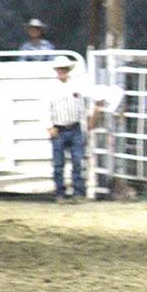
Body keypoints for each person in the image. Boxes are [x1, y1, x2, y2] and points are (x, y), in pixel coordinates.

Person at [44, 56, 104, 203]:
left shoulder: (78, 85)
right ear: (56, 70)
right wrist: (49, 126)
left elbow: (92, 96)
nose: (61, 71)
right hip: (58, 128)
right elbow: (45, 108)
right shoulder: (50, 87)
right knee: (59, 164)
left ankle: (78, 193)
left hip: (75, 127)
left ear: (67, 70)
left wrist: (92, 113)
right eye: (59, 69)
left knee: (78, 161)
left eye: (63, 69)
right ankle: (60, 194)